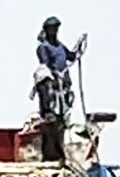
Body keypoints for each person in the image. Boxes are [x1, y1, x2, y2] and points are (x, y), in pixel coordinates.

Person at [33, 16, 86, 162]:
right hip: (51, 82)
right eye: (52, 28)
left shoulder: (59, 46)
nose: (54, 31)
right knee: (51, 120)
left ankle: (59, 153)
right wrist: (55, 73)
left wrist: (79, 48)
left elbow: (70, 56)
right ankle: (48, 113)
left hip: (62, 87)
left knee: (61, 122)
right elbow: (45, 63)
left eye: (56, 28)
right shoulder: (43, 47)